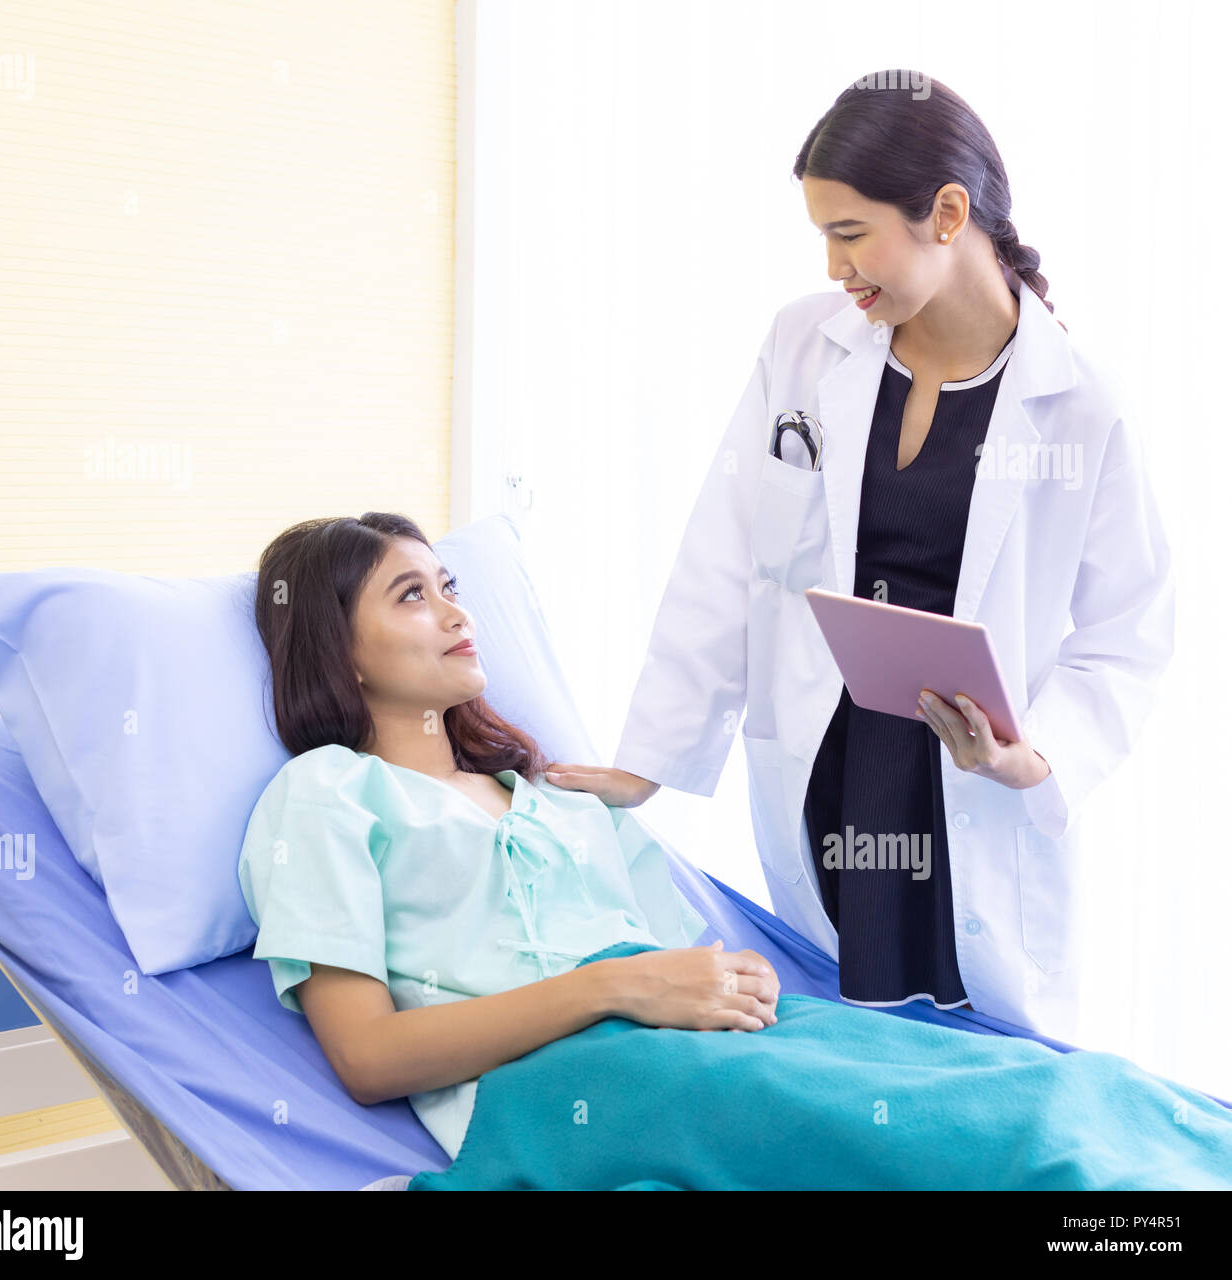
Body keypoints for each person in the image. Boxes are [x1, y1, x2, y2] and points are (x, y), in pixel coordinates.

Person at [235, 513, 1227, 1192]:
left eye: (451, 584)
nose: (457, 610)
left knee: (1035, 1085)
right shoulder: (325, 793)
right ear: (339, 646)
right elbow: (366, 1056)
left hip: (705, 1041)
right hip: (558, 1080)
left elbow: (685, 967)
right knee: (987, 1144)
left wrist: (721, 979)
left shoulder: (555, 796)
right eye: (413, 595)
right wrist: (614, 990)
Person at [546, 73, 1174, 1041]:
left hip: (971, 786)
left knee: (975, 1060)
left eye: (850, 233)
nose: (835, 267)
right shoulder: (806, 344)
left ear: (947, 214)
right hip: (833, 763)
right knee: (851, 1040)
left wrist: (1034, 752)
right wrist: (649, 760)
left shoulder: (1078, 402)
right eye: (823, 239)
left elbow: (1129, 633)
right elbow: (725, 553)